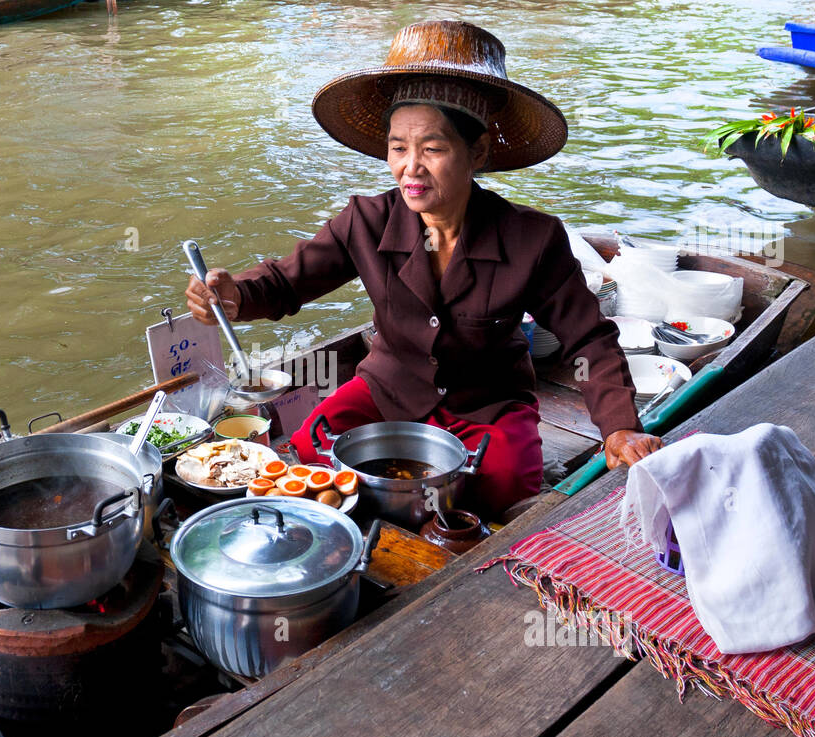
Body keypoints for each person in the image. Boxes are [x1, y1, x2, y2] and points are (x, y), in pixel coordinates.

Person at [185, 20, 663, 515]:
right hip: (386, 390)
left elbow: (588, 339)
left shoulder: (532, 238)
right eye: (398, 148)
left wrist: (619, 426)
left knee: (505, 491)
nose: (410, 167)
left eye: (432, 148)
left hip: (488, 403)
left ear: (475, 152)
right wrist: (234, 294)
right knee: (308, 453)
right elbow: (287, 281)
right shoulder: (366, 221)